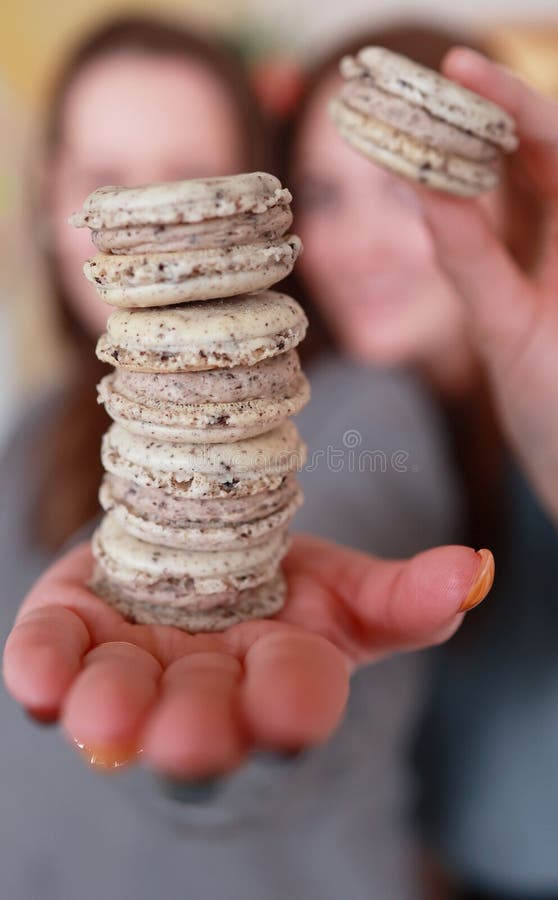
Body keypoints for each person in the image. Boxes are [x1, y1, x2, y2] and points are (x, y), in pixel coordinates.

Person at [0, 14, 487, 900]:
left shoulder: (362, 409)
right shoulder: (30, 427)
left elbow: (333, 516)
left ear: (258, 213)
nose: (154, 229)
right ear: (52, 198)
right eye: (108, 179)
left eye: (190, 181)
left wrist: (205, 728)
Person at [282, 22, 558, 900]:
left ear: (500, 199)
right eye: (323, 193)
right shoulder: (330, 430)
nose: (357, 246)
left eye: (405, 189)